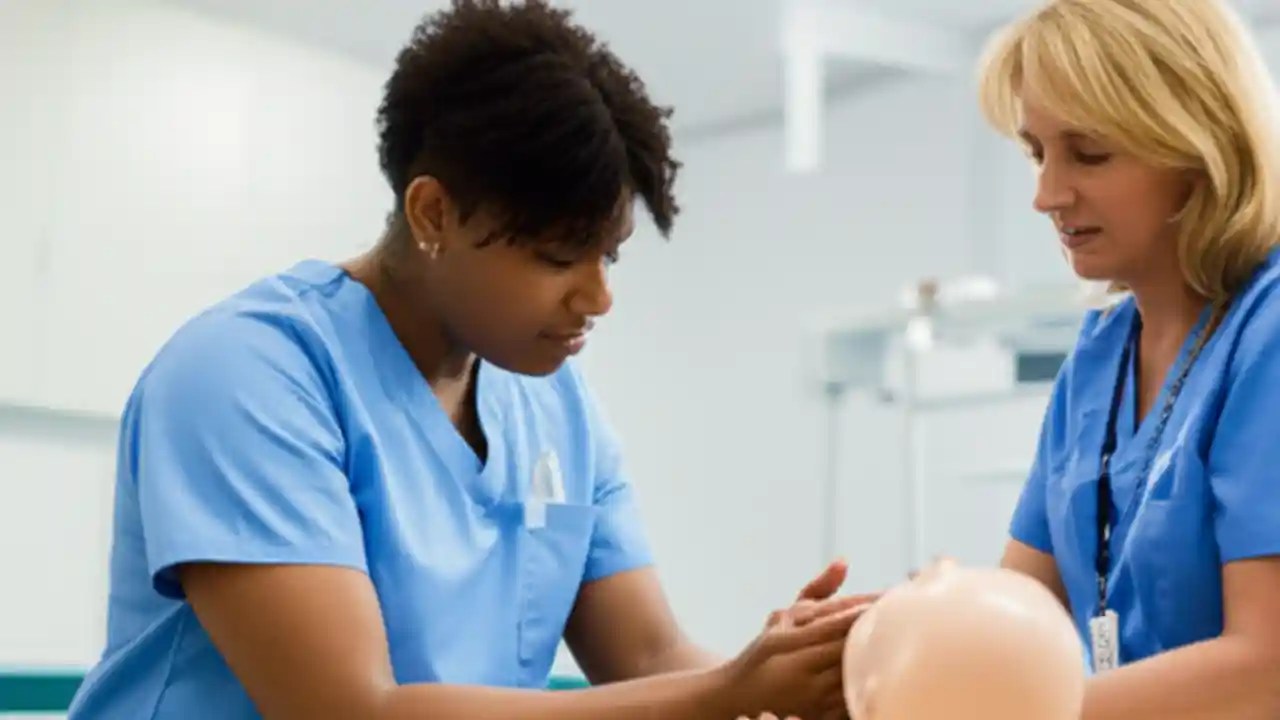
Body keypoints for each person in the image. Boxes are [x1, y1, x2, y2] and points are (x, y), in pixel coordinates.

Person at [66, 2, 865, 718]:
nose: (597, 299)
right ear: (433, 212)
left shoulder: (558, 410)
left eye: (608, 259)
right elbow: (349, 711)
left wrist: (804, 675)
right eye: (558, 257)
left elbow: (652, 659)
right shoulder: (246, 374)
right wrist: (724, 695)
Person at [976, 0, 1280, 716]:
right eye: (1036, 153)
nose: (1047, 195)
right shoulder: (1097, 359)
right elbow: (1007, 618)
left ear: (1198, 148)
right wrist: (870, 647)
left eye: (1090, 153)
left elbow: (1265, 668)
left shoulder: (1268, 333)